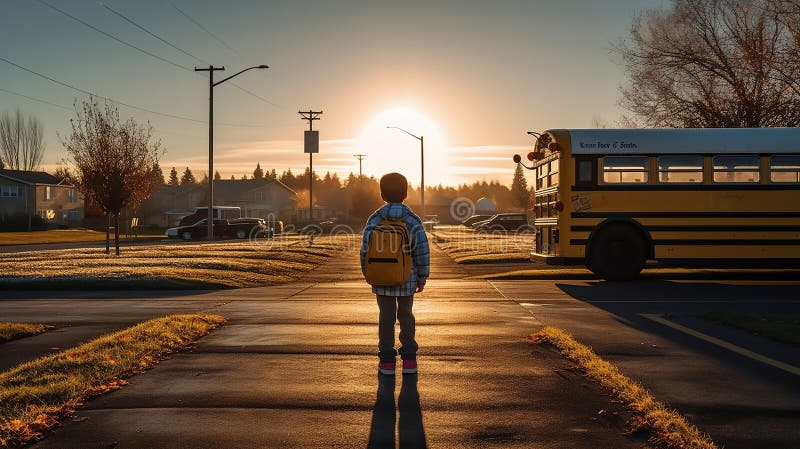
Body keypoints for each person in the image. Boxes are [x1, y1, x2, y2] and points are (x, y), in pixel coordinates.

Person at [360, 172, 430, 375]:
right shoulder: (412, 220)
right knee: (406, 316)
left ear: (381, 194)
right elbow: (422, 251)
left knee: (386, 318)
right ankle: (409, 360)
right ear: (406, 193)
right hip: (407, 279)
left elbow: (365, 251)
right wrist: (422, 277)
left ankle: (387, 362)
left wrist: (369, 273)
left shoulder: (374, 219)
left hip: (381, 279)